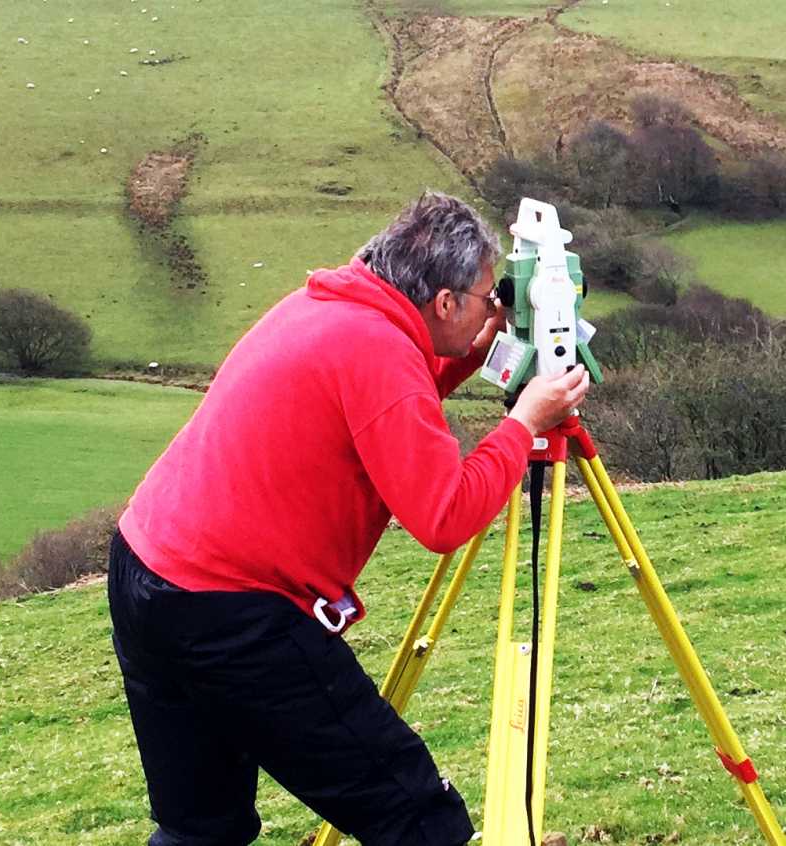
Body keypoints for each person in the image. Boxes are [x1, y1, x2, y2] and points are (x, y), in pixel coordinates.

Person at [107, 191, 590, 846]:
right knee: (419, 818)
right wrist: (522, 424)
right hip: (231, 613)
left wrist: (480, 349)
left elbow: (394, 390)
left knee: (201, 827)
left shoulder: (335, 307)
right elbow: (444, 516)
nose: (496, 305)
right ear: (443, 303)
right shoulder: (378, 353)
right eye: (485, 297)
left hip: (146, 571)